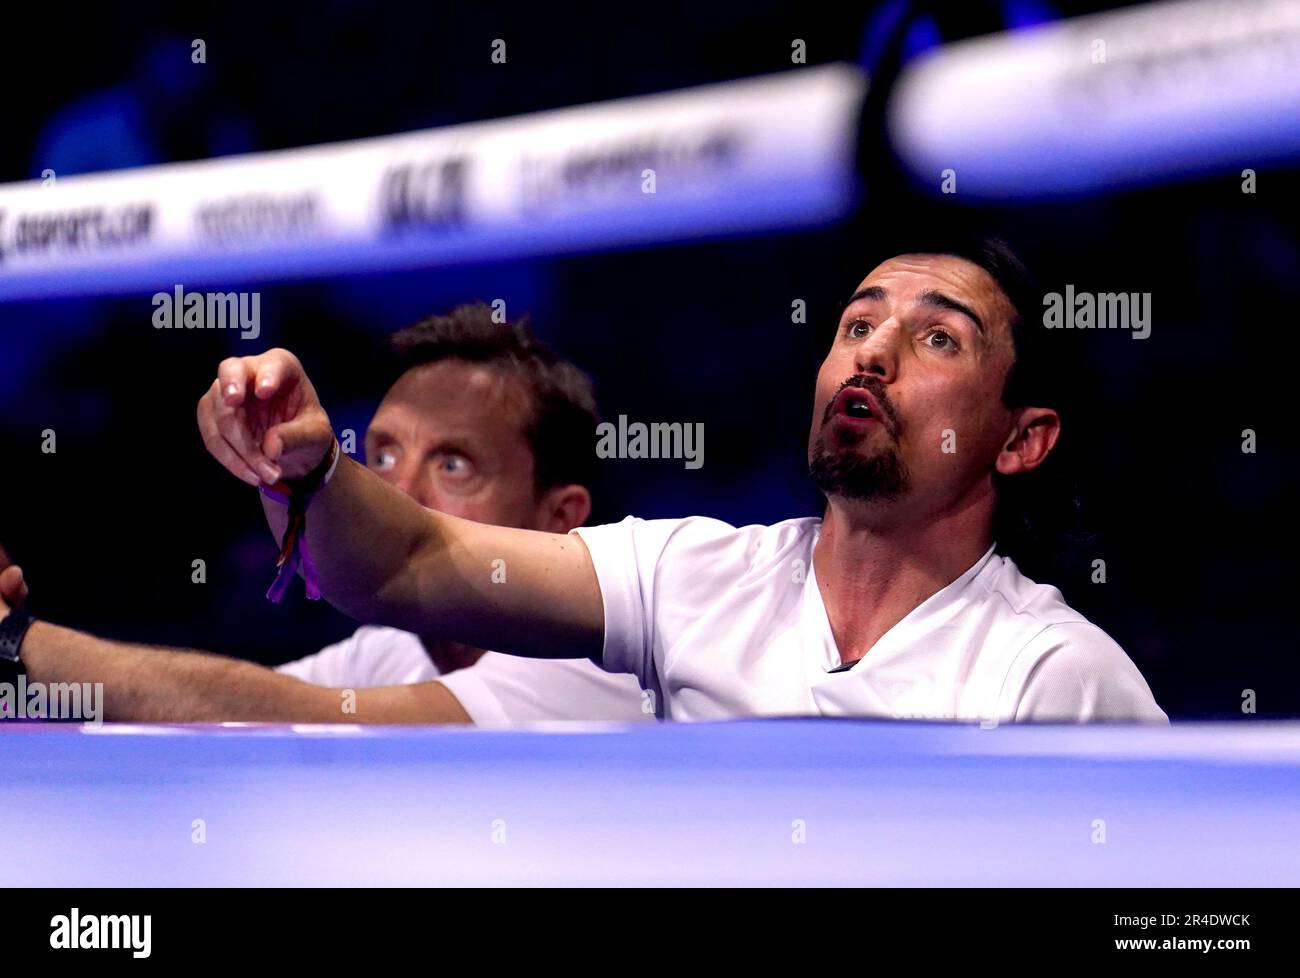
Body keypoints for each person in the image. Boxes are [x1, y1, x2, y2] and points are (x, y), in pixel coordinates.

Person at [181, 236, 1166, 724]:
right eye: (856, 326)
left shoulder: (1052, 676)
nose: (872, 355)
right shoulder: (690, 575)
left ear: (1022, 439)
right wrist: (306, 464)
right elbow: (406, 562)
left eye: (935, 337)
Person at [0, 305, 650, 725]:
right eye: (382, 456)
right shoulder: (393, 651)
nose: (398, 492)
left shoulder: (593, 668)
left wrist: (14, 641)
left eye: (454, 465)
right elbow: (195, 722)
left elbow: (291, 715)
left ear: (559, 517)